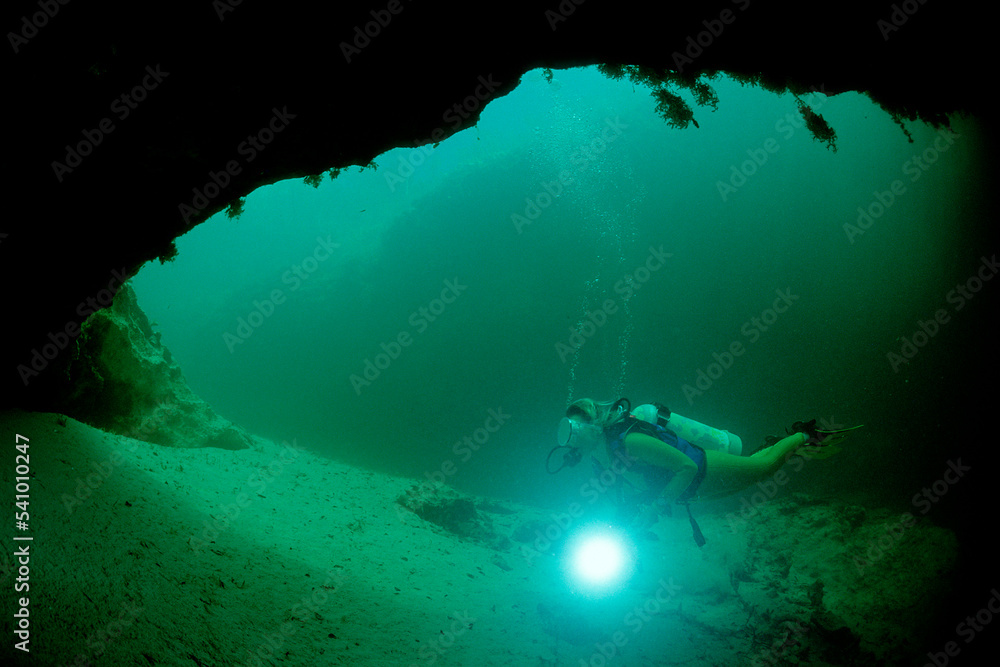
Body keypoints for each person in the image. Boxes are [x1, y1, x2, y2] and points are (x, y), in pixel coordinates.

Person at [561, 398, 857, 537]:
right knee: (757, 468)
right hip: (696, 489)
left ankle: (804, 434)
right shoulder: (609, 452)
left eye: (574, 438)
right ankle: (786, 443)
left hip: (705, 471)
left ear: (588, 431)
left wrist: (656, 508)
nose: (572, 449)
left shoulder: (630, 441)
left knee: (764, 468)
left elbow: (686, 467)